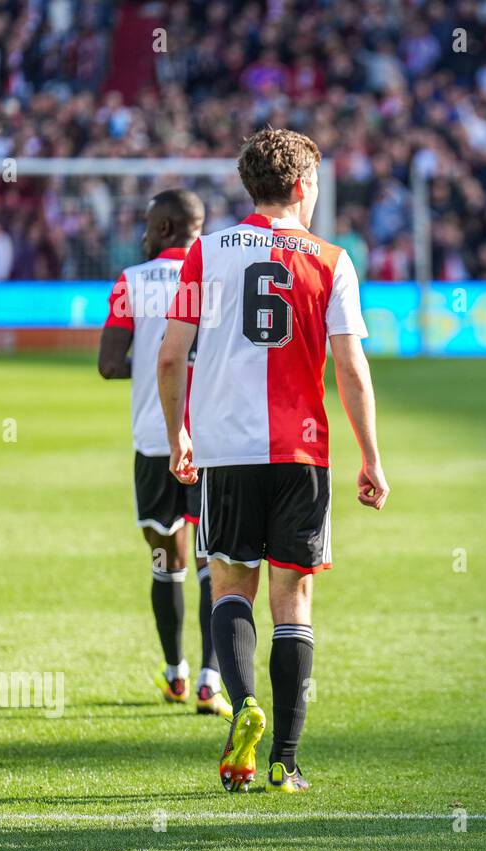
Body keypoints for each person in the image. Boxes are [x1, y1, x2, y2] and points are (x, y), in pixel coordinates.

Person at [156, 128, 389, 794]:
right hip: (301, 452)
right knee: (295, 603)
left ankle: (243, 711)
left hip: (227, 451)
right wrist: (370, 456)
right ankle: (287, 761)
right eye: (313, 184)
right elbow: (350, 365)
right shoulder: (331, 259)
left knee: (230, 588)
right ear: (298, 186)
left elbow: (172, 356)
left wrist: (179, 436)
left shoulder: (206, 252)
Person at [97, 189, 230, 718]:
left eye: (151, 228)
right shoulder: (219, 277)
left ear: (169, 228)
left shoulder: (133, 281)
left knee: (163, 561)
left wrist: (157, 372)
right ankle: (208, 681)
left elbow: (109, 364)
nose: (145, 236)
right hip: (214, 442)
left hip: (156, 440)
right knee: (212, 564)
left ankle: (173, 673)